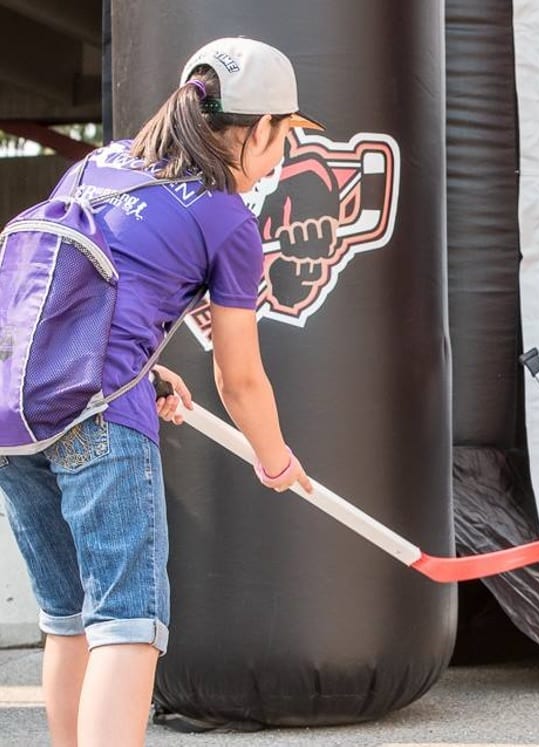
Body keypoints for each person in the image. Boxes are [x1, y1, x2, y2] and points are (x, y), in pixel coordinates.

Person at [0, 37, 320, 746]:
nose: (281, 158)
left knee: (68, 617)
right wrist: (273, 457)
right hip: (97, 414)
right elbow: (239, 378)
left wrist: (150, 366)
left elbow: (63, 297)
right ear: (259, 128)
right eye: (284, 137)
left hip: (15, 411)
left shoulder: (100, 161)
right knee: (126, 621)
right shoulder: (227, 216)